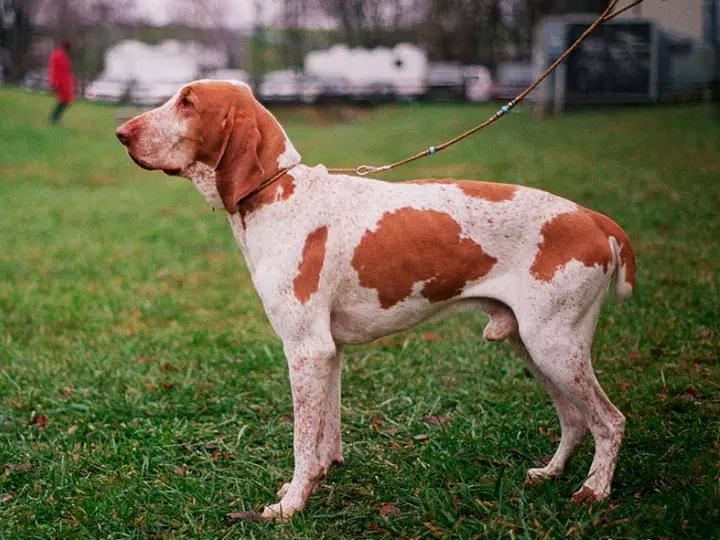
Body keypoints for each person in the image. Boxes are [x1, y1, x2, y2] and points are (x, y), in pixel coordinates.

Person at [48, 39, 75, 125]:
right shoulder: (59, 55)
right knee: (64, 100)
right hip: (61, 82)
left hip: (63, 82)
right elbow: (56, 70)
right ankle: (54, 117)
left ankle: (55, 118)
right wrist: (55, 83)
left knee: (65, 100)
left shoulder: (60, 55)